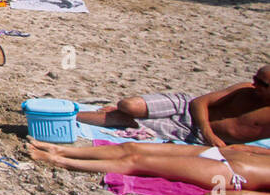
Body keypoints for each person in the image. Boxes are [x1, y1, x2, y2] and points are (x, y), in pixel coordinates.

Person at [75, 67, 270, 147]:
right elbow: (199, 102)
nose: (255, 85)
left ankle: (66, 115)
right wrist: (209, 132)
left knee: (121, 121)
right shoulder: (244, 90)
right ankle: (121, 112)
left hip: (189, 133)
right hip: (186, 107)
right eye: (255, 79)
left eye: (262, 84)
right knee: (128, 105)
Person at [27, 140, 270, 195]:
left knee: (137, 162)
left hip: (228, 174)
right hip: (222, 154)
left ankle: (59, 161)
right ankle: (60, 150)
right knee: (131, 148)